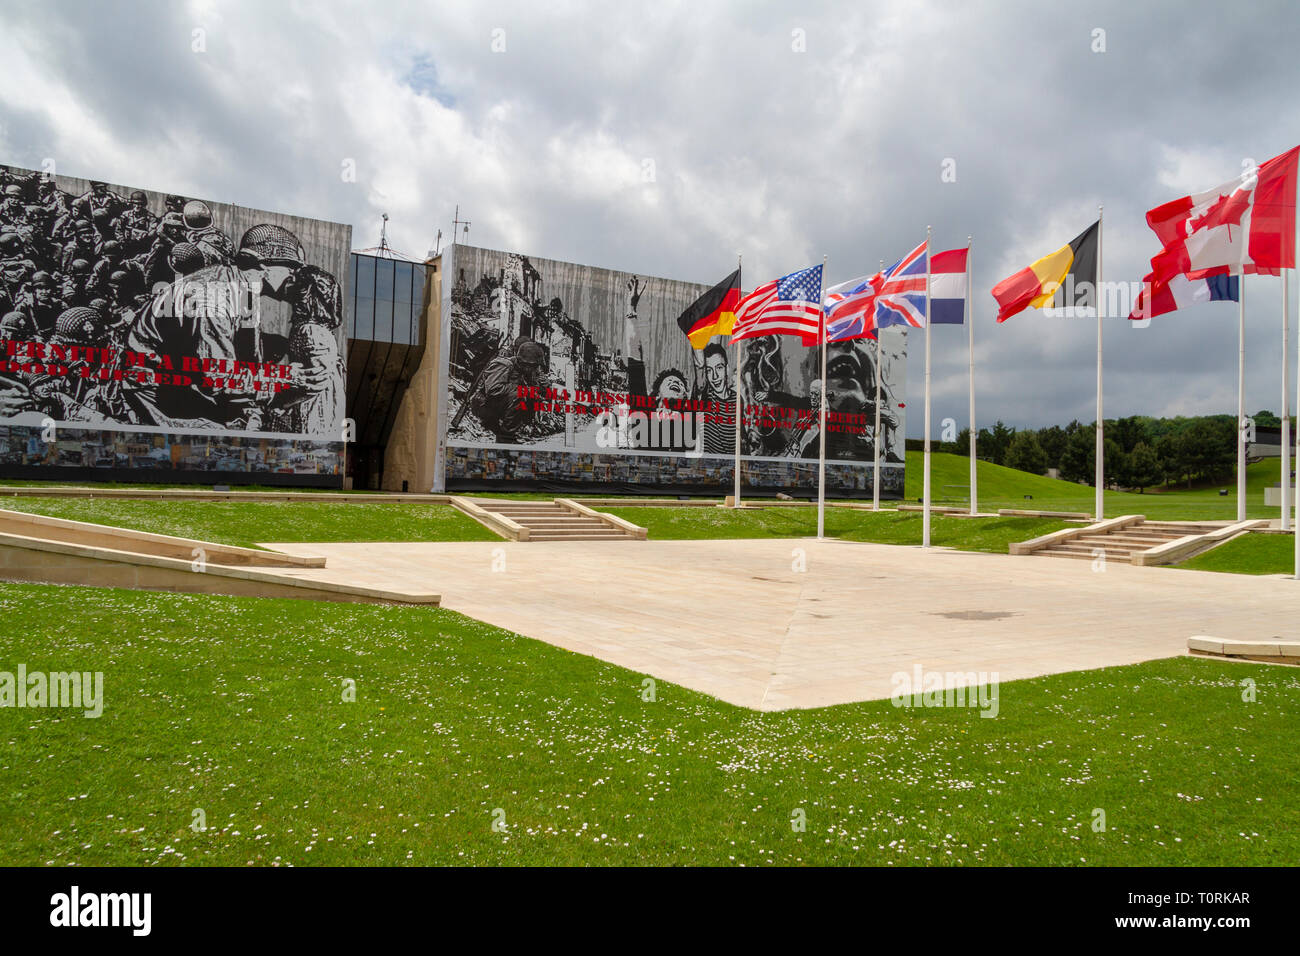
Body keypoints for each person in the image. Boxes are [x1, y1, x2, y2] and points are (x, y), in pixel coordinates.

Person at [469, 337, 546, 443]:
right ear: (525, 363)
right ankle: (505, 437)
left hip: (498, 405)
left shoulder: (524, 371)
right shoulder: (504, 365)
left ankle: (515, 431)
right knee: (519, 395)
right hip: (484, 406)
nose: (535, 369)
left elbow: (533, 388)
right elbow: (493, 390)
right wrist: (523, 390)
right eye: (533, 366)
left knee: (532, 396)